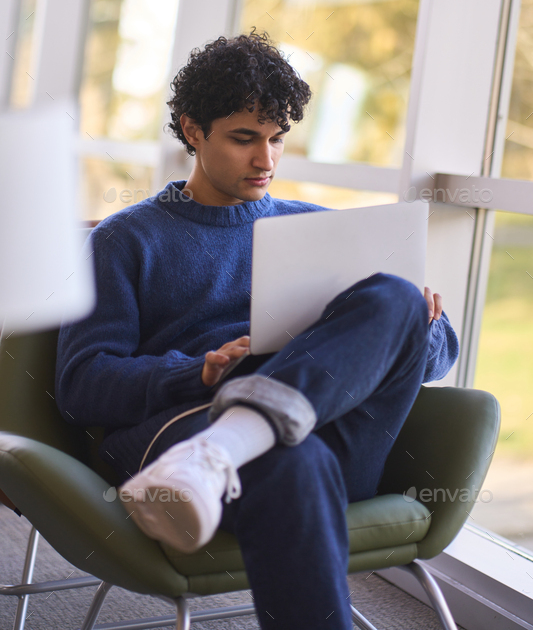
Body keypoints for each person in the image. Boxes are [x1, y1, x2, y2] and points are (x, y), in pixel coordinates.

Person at [56, 31, 459, 630]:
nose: (265, 160)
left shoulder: (321, 230)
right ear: (193, 131)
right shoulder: (124, 241)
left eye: (275, 140)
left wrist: (418, 325)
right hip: (189, 433)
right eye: (244, 138)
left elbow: (436, 357)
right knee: (292, 461)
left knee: (395, 296)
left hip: (323, 438)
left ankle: (234, 445)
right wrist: (196, 369)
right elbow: (81, 384)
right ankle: (225, 444)